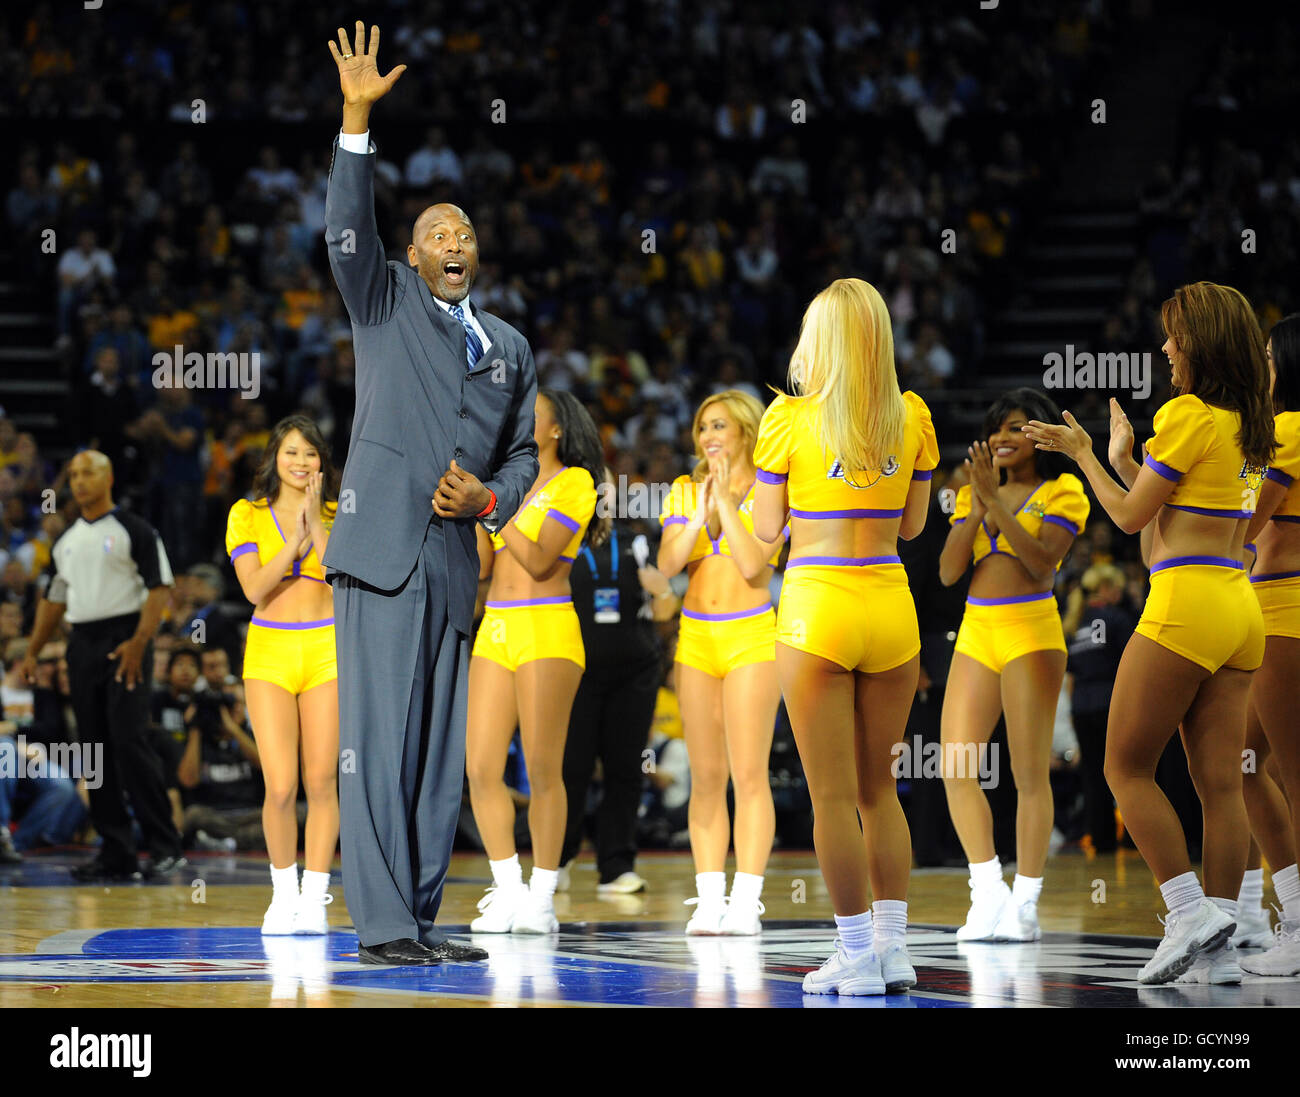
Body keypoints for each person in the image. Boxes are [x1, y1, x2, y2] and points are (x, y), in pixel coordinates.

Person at [323, 23, 538, 966]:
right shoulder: (380, 299)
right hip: (379, 558)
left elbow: (526, 453)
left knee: (437, 756)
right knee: (376, 742)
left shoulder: (508, 345)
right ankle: (378, 926)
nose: (456, 241)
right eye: (438, 233)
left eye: (467, 233)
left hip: (454, 564)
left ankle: (415, 916)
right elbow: (343, 229)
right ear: (412, 256)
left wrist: (487, 501)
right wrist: (356, 120)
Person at [1023, 281, 1271, 985]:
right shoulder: (1249, 425)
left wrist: (1083, 452)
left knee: (1123, 767)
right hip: (1238, 607)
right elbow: (1173, 511)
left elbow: (1133, 523)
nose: (1165, 347)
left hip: (1187, 604)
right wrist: (1128, 460)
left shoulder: (1187, 413)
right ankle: (1218, 951)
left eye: (1174, 336)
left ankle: (1187, 910)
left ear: (1202, 343)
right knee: (1221, 786)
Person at [752, 278, 937, 994]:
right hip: (892, 607)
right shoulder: (912, 414)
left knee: (830, 797)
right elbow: (916, 527)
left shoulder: (786, 419)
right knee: (878, 790)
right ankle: (892, 949)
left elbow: (767, 532)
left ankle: (856, 951)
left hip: (817, 608)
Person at [937, 388, 1089, 941]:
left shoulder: (1063, 489)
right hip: (977, 632)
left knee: (1029, 774)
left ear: (1041, 434)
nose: (1002, 436)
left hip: (1031, 630)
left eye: (1016, 427)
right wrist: (977, 505)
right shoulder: (971, 494)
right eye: (997, 427)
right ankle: (987, 891)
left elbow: (1042, 564)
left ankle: (1025, 902)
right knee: (955, 764)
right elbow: (950, 573)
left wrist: (996, 505)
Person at [466, 390, 603, 933]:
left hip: (547, 625)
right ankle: (507, 888)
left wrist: (493, 506)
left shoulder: (576, 482)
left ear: (555, 430)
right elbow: (480, 566)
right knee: (479, 766)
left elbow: (542, 561)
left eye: (531, 415)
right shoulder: (504, 482)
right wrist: (480, 504)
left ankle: (542, 896)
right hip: (495, 626)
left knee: (545, 770)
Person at [17, 450, 185, 880]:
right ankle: (117, 851)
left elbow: (159, 588)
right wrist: (33, 651)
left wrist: (139, 643)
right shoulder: (66, 540)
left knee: (130, 740)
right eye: (72, 474)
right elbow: (54, 600)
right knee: (93, 750)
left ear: (108, 478)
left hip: (128, 637)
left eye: (87, 472)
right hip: (83, 643)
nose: (78, 480)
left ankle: (165, 845)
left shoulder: (135, 529)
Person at [657, 390, 787, 935]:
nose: (709, 436)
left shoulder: (771, 489)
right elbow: (668, 563)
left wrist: (727, 508)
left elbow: (757, 567)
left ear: (747, 432)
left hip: (753, 638)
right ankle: (710, 898)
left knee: (749, 774)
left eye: (721, 426)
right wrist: (700, 515)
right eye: (703, 427)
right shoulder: (686, 491)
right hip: (696, 640)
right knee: (707, 776)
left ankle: (746, 900)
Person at [226, 415, 339, 935]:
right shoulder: (246, 514)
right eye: (292, 452)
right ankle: (282, 894)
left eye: (311, 454)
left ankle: (315, 897)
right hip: (269, 652)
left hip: (328, 649)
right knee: (280, 784)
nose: (300, 462)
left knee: (321, 781)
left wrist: (315, 523)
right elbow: (253, 589)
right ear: (274, 456)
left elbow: (343, 577)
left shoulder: (340, 512)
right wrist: (293, 546)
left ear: (322, 462)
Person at [560, 498, 679, 896]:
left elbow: (665, 612)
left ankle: (616, 866)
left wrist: (662, 590)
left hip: (634, 673)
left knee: (625, 769)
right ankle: (557, 860)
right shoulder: (562, 541)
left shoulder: (638, 543)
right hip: (575, 671)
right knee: (571, 768)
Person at [1237, 313, 1300, 976]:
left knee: (1285, 772)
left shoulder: (1288, 431)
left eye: (1267, 355)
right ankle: (1289, 916)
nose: (1262, 364)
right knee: (1245, 766)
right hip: (1270, 611)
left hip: (1286, 611)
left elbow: (1243, 520)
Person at [1064, 564, 1134, 855]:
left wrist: (1072, 712)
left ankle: (1101, 839)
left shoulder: (1074, 624)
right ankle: (1133, 838)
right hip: (1113, 703)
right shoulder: (1117, 619)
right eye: (1116, 586)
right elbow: (1133, 664)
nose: (1120, 592)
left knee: (1093, 775)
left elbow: (1069, 677)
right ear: (1104, 588)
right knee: (1128, 772)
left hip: (1082, 707)